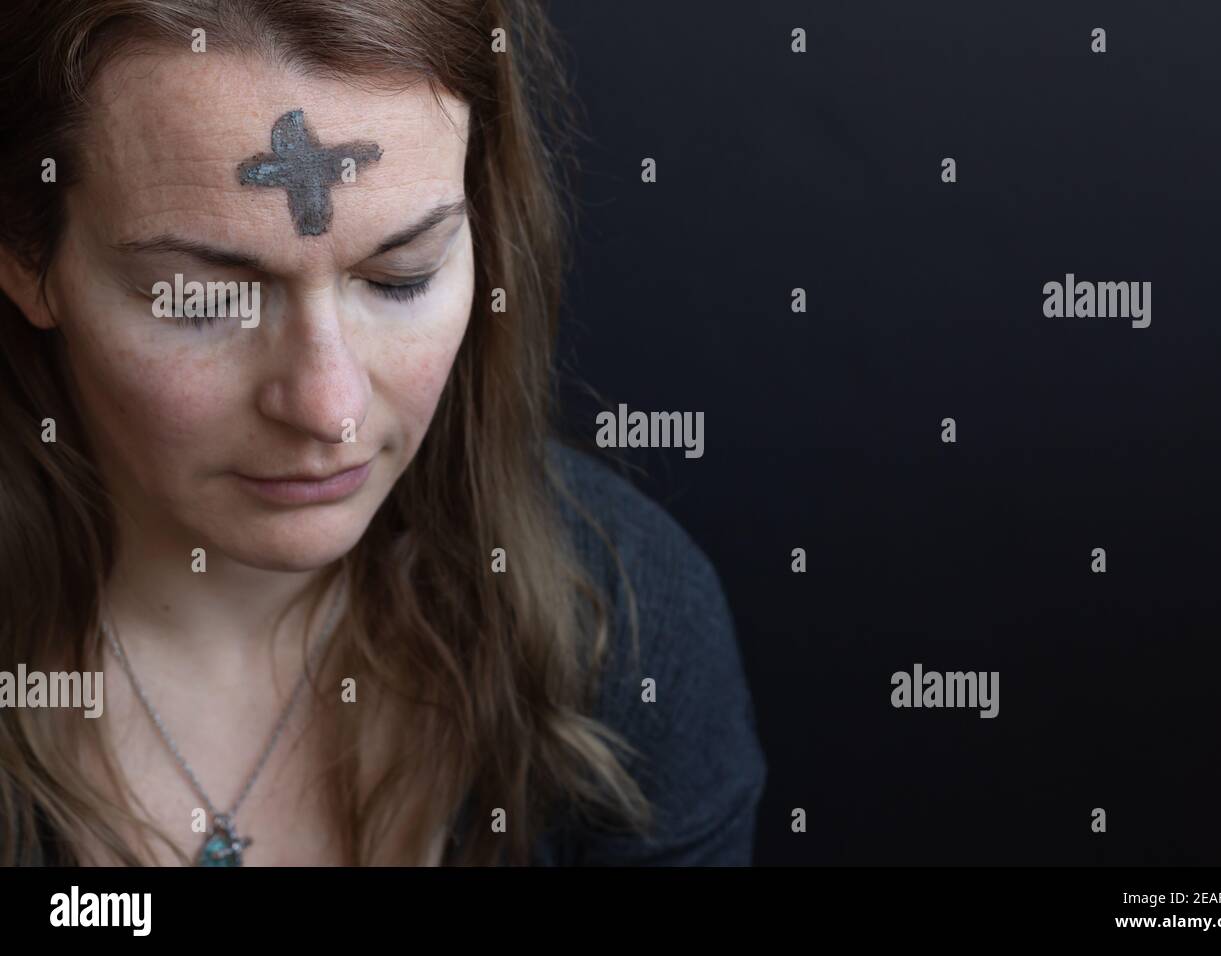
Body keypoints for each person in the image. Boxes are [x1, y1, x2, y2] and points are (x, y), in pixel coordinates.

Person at [0, 0, 766, 866]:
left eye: (402, 277)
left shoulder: (626, 630)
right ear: (26, 255)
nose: (332, 410)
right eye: (206, 300)